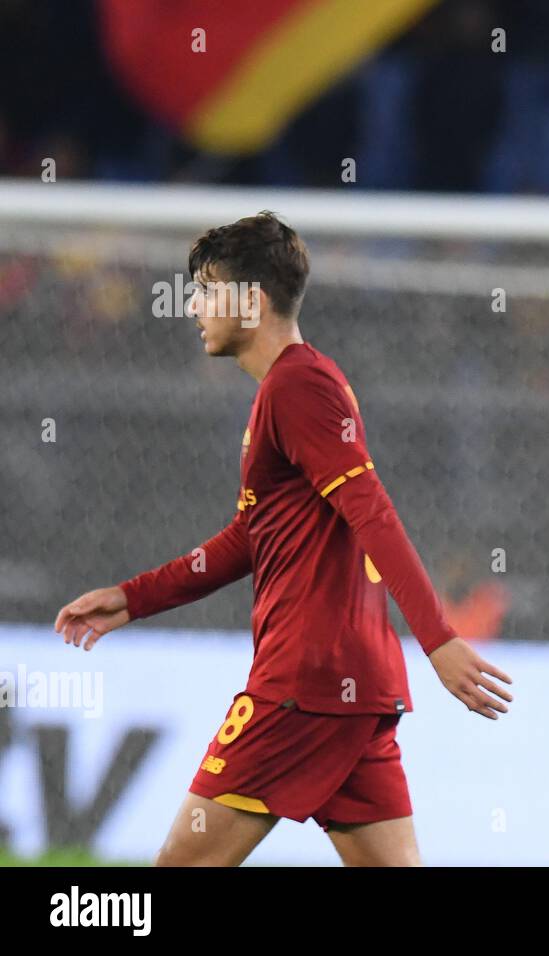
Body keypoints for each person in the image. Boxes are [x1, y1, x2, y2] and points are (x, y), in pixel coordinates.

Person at [53, 211, 513, 866]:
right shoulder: (294, 386)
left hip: (305, 684)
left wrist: (437, 639)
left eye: (207, 290)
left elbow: (372, 512)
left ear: (252, 300)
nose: (193, 306)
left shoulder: (299, 386)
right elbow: (251, 536)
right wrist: (132, 599)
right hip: (350, 683)